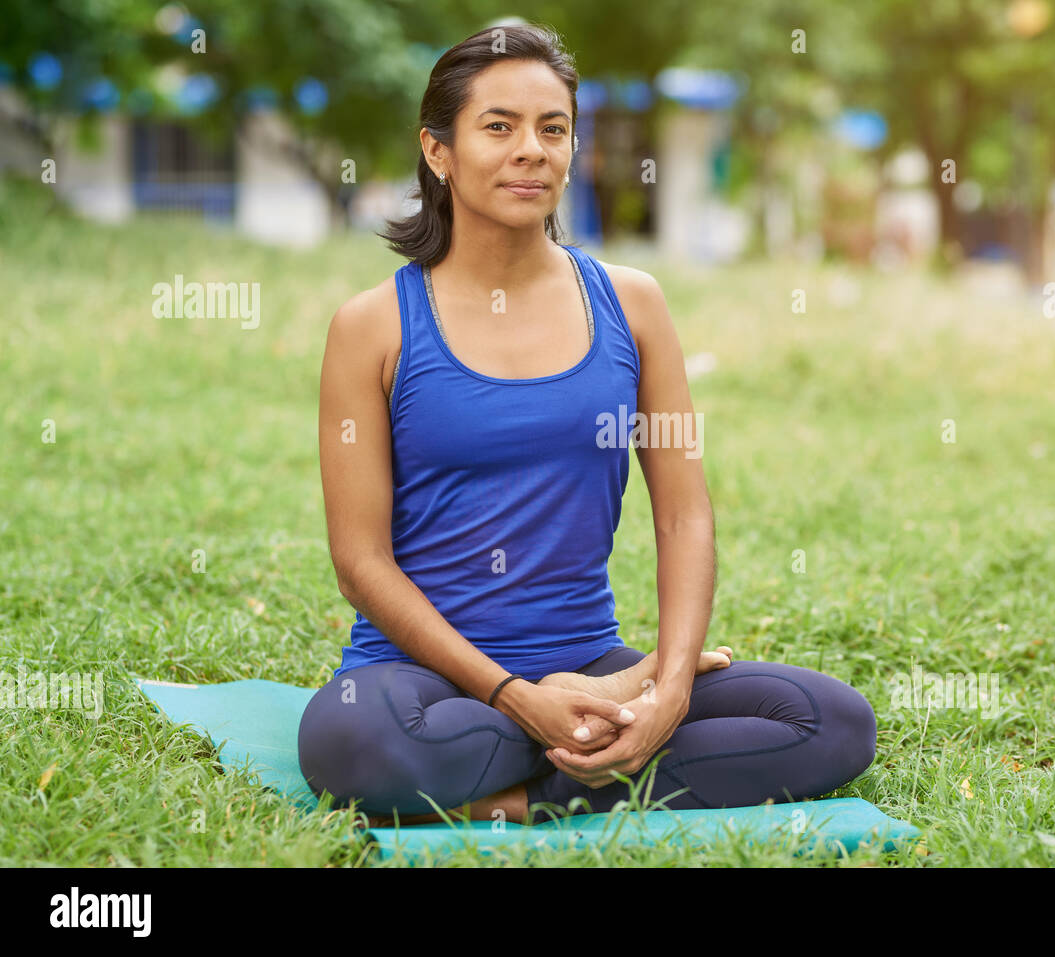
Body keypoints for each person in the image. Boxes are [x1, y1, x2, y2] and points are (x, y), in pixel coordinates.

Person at [297, 23, 877, 826]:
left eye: (554, 128)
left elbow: (682, 511)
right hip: (425, 679)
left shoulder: (633, 305)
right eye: (498, 127)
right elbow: (360, 563)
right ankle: (577, 742)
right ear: (438, 152)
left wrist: (668, 686)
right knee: (351, 741)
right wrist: (516, 696)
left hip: (595, 662)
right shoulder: (372, 327)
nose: (531, 149)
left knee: (831, 720)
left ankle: (534, 790)